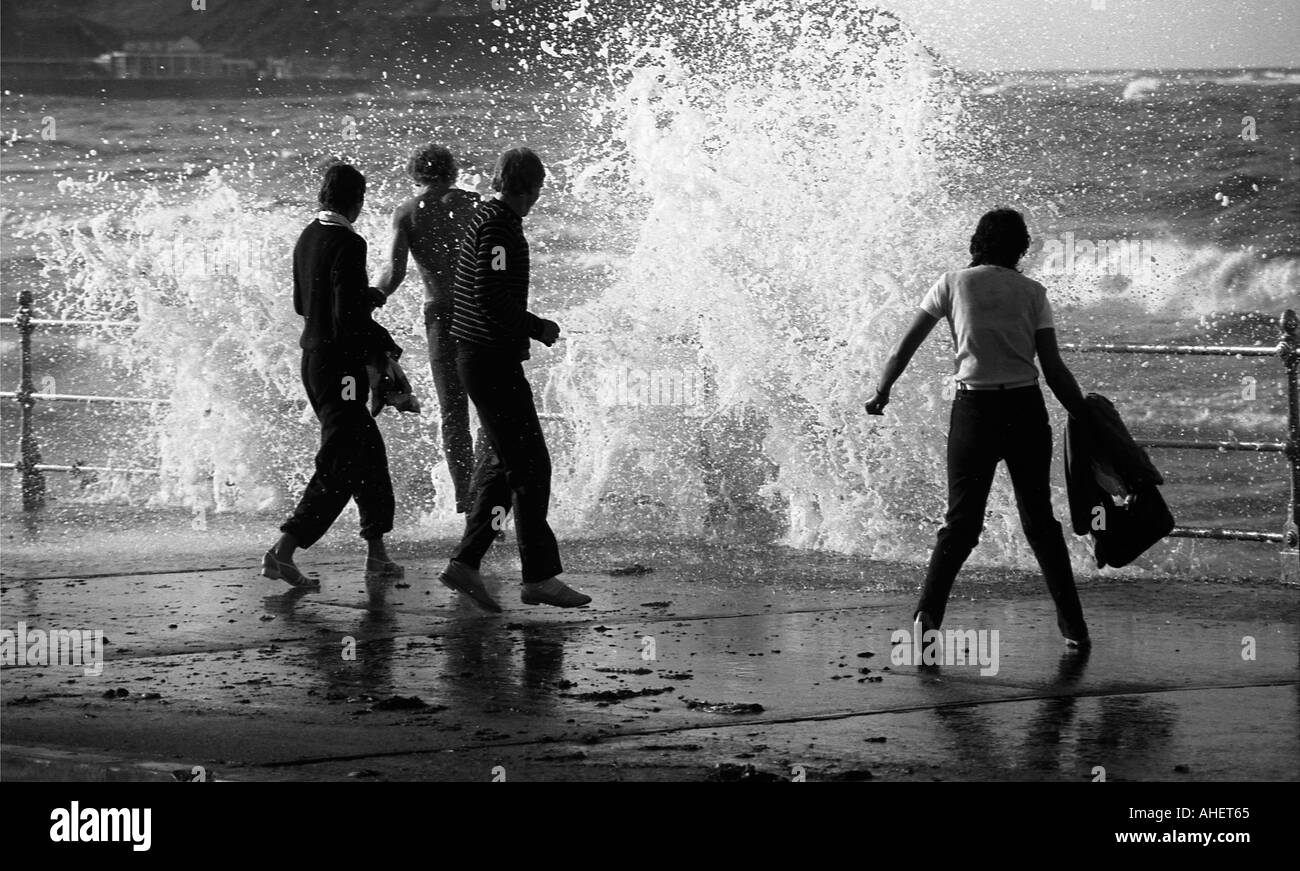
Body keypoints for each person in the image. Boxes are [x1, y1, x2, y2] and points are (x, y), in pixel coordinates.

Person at [865, 208, 1091, 648]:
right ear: (1021, 247)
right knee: (1040, 522)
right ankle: (1073, 626)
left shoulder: (951, 283)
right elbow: (1054, 368)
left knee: (962, 524)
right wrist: (1081, 412)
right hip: (1026, 409)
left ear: (976, 242)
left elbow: (904, 346)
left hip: (975, 412)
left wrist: (882, 391)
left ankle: (926, 619)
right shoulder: (1033, 292)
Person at [436, 146, 592, 611]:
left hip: (478, 357)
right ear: (533, 188)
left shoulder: (487, 219)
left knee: (502, 471)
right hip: (489, 361)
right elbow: (490, 296)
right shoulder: (500, 227)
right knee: (531, 467)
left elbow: (484, 291)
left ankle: (465, 563)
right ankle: (539, 577)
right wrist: (537, 327)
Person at [261, 163, 404, 587]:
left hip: (314, 361)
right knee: (339, 464)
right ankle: (283, 550)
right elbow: (348, 319)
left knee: (369, 457)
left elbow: (304, 305)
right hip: (340, 369)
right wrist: (386, 346)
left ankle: (376, 553)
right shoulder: (349, 243)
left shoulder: (307, 236)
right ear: (356, 202)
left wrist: (364, 301)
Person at [376, 144, 481, 511]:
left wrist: (369, 299)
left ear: (414, 175)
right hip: (479, 313)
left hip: (442, 316)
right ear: (452, 172)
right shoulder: (474, 204)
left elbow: (393, 272)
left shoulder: (406, 212)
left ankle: (467, 500)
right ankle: (492, 498)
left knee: (453, 413)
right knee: (489, 407)